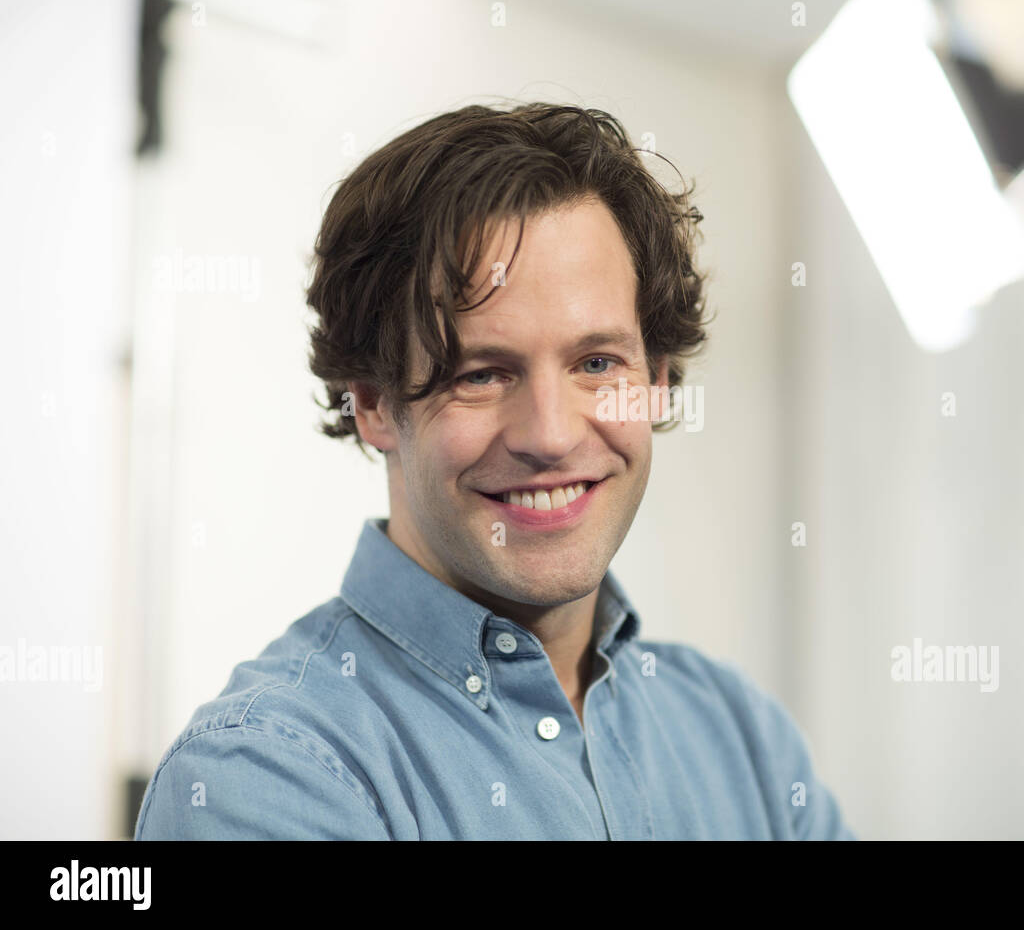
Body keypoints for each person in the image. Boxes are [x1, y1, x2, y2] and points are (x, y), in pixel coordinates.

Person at [134, 102, 855, 840]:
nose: (549, 434)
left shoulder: (741, 741)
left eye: (597, 363)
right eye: (480, 374)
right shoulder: (264, 775)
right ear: (374, 403)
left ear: (659, 380)